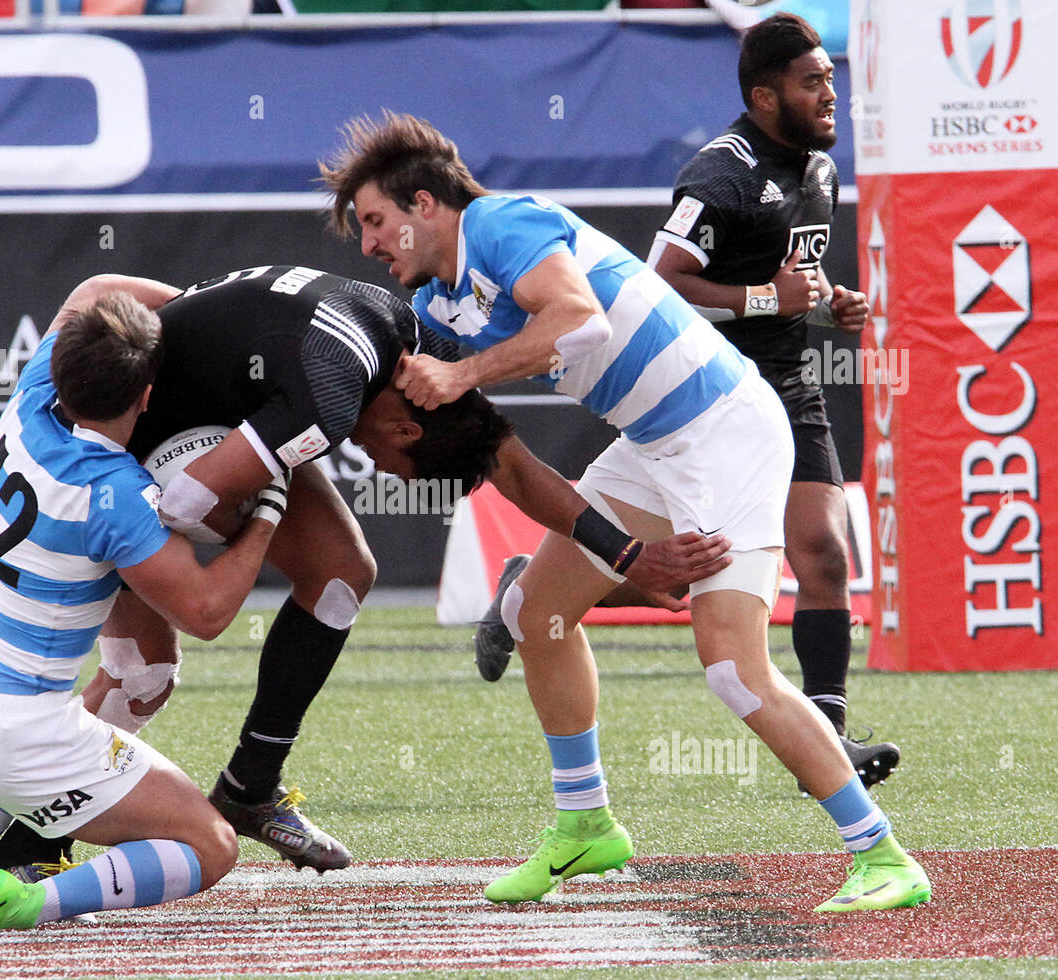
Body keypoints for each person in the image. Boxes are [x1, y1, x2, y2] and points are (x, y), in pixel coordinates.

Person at [319, 112, 930, 912]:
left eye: (375, 220)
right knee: (535, 611)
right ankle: (586, 827)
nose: (368, 243)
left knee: (733, 671)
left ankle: (883, 853)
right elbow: (488, 432)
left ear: (427, 204)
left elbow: (580, 319)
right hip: (653, 440)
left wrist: (463, 378)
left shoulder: (500, 222)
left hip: (723, 431)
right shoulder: (439, 298)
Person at [0, 263, 728, 881]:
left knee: (343, 572)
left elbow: (513, 463)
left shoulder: (417, 353)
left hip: (215, 411)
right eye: (395, 465)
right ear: (404, 425)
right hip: (135, 444)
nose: (378, 469)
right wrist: (267, 495)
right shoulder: (334, 393)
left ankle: (250, 786)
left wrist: (626, 552)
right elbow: (190, 496)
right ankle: (32, 839)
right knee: (144, 673)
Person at [0, 276, 286, 932]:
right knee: (212, 845)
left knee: (9, 762)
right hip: (14, 731)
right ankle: (28, 899)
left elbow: (94, 286)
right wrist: (269, 505)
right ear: (148, 396)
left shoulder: (32, 394)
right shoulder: (114, 495)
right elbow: (207, 612)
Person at [647, 12, 898, 790]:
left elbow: (794, 283)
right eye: (812, 82)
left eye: (831, 79)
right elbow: (660, 284)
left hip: (787, 383)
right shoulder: (720, 171)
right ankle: (530, 582)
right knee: (671, 571)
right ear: (764, 96)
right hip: (710, 392)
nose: (831, 95)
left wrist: (830, 303)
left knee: (823, 552)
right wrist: (766, 296)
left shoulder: (818, 168)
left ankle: (827, 737)